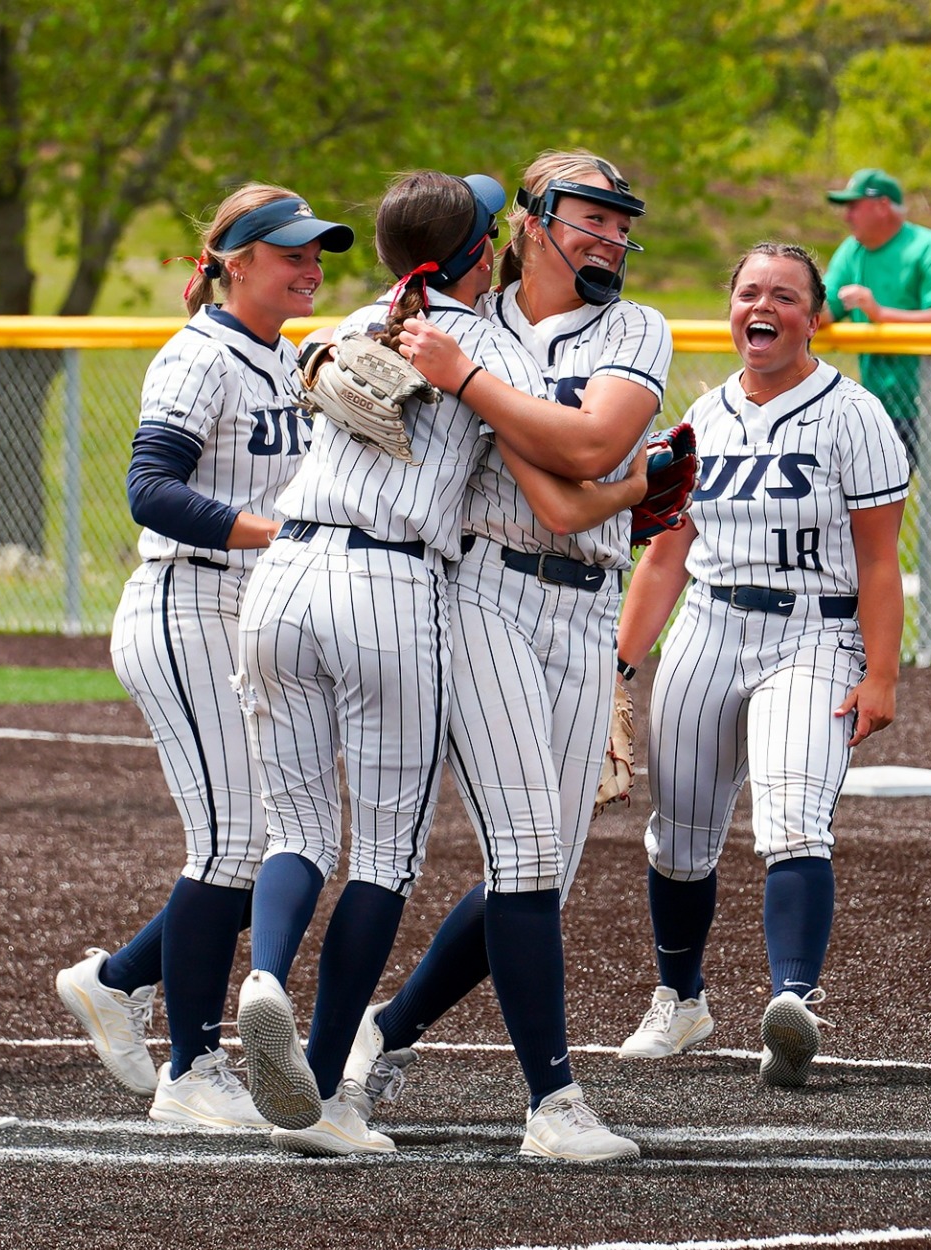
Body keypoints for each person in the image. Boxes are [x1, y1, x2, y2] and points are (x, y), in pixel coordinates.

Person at [233, 170, 617, 1159]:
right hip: (389, 585)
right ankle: (321, 1090)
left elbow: (318, 370)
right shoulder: (480, 344)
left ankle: (266, 972)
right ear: (478, 255)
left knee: (297, 826)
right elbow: (562, 466)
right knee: (386, 858)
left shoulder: (360, 314)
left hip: (280, 575)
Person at [342, 150, 673, 1162]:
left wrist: (473, 383)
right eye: (586, 216)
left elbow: (586, 448)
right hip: (480, 586)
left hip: (587, 603)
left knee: (539, 876)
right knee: (525, 851)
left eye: (620, 221)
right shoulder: (461, 319)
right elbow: (344, 364)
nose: (608, 236)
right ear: (528, 220)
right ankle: (552, 1102)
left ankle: (381, 1033)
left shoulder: (633, 325)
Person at [54, 184, 352, 1131]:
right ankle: (190, 1073)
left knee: (270, 844)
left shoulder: (294, 358)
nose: (311, 267)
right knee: (231, 844)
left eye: (317, 255)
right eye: (292, 252)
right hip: (186, 603)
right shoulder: (197, 356)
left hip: (253, 608)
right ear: (235, 262)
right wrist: (280, 532)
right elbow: (150, 489)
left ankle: (119, 981)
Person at [613, 242, 909, 1089]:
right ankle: (681, 999)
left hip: (816, 635)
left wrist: (880, 673)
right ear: (731, 308)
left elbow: (880, 562)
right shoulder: (700, 415)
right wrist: (622, 664)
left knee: (792, 819)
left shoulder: (854, 415)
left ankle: (794, 1006)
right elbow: (666, 558)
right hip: (708, 627)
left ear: (812, 316)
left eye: (783, 294)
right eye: (748, 292)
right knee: (680, 839)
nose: (762, 306)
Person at [818, 168, 931, 654]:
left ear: (883, 207)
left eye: (854, 204)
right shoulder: (851, 253)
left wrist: (879, 314)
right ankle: (849, 635)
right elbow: (828, 307)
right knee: (860, 516)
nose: (846, 214)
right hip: (888, 409)